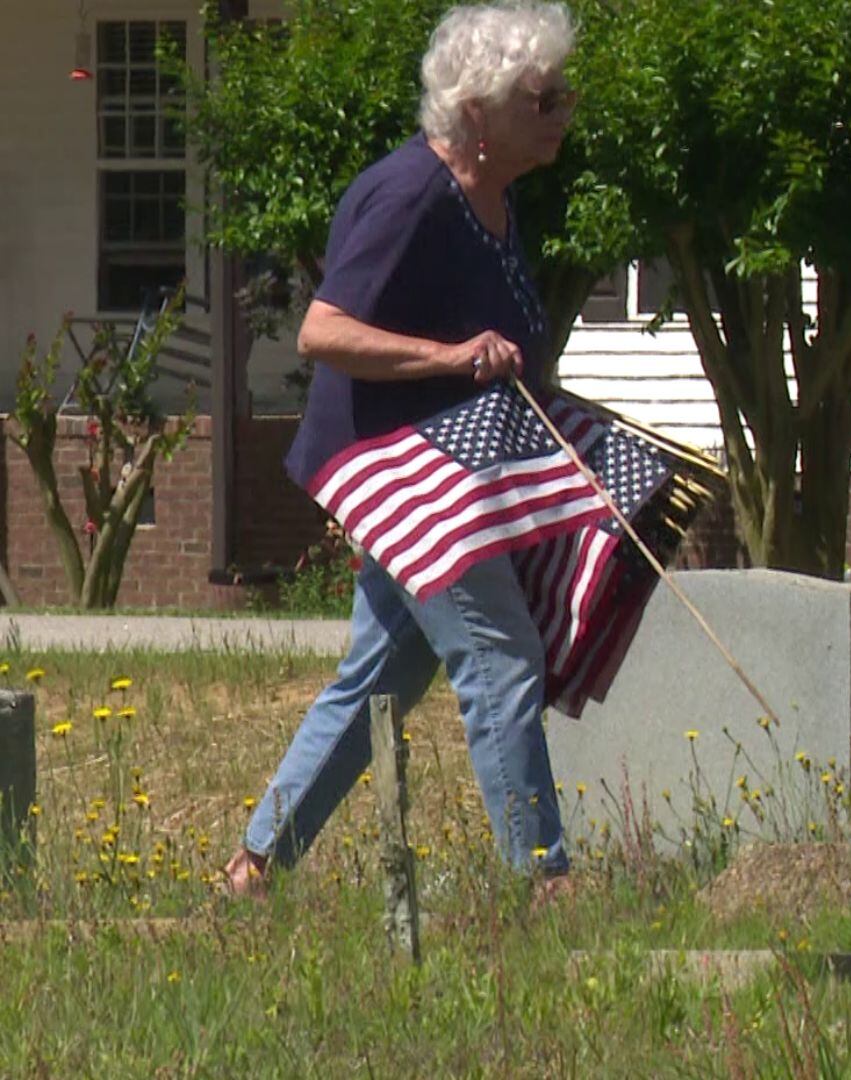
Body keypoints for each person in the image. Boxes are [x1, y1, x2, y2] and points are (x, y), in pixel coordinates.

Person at [222, 1, 582, 903]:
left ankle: (253, 868)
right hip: (401, 475)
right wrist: (453, 360)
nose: (562, 112)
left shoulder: (494, 201)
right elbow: (322, 331)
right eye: (541, 97)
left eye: (563, 93)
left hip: (454, 468)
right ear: (475, 111)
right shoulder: (411, 193)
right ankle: (543, 881)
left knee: (386, 668)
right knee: (500, 654)